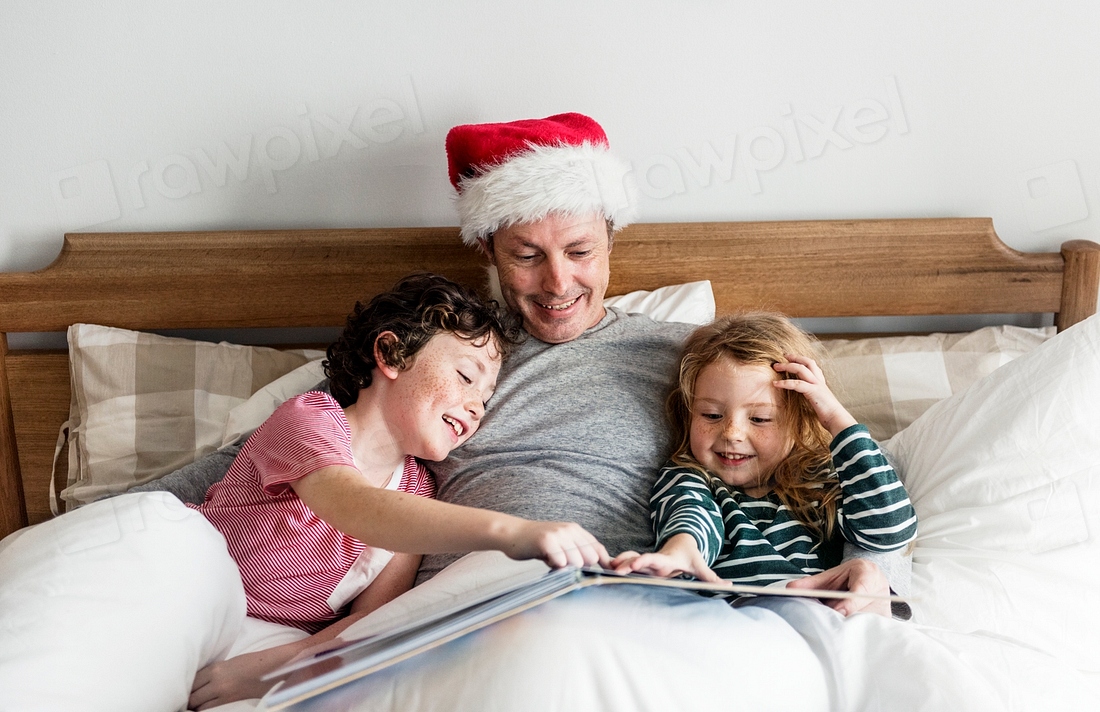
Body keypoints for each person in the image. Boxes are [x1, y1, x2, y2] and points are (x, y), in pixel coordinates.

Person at [186, 272, 609, 711]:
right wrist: (511, 533)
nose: (475, 407)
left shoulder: (416, 491)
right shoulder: (310, 420)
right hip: (195, 586)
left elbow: (371, 619)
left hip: (276, 643)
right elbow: (357, 507)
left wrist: (269, 670)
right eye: (466, 376)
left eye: (485, 398)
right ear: (391, 353)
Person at [608, 313, 918, 599]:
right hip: (733, 620)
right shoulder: (690, 475)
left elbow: (889, 531)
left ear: (801, 420)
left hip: (818, 618)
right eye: (711, 415)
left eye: (760, 419)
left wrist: (837, 419)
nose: (732, 433)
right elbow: (691, 519)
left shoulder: (826, 476)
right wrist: (677, 554)